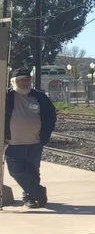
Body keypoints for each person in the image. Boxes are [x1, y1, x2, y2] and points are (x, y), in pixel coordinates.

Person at [5, 68, 57, 208]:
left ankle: (29, 198)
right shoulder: (7, 96)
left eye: (28, 79)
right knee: (15, 171)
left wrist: (45, 136)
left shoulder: (40, 97)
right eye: (22, 80)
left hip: (35, 143)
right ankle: (38, 191)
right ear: (14, 81)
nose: (25, 82)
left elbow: (51, 117)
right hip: (14, 143)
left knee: (33, 172)